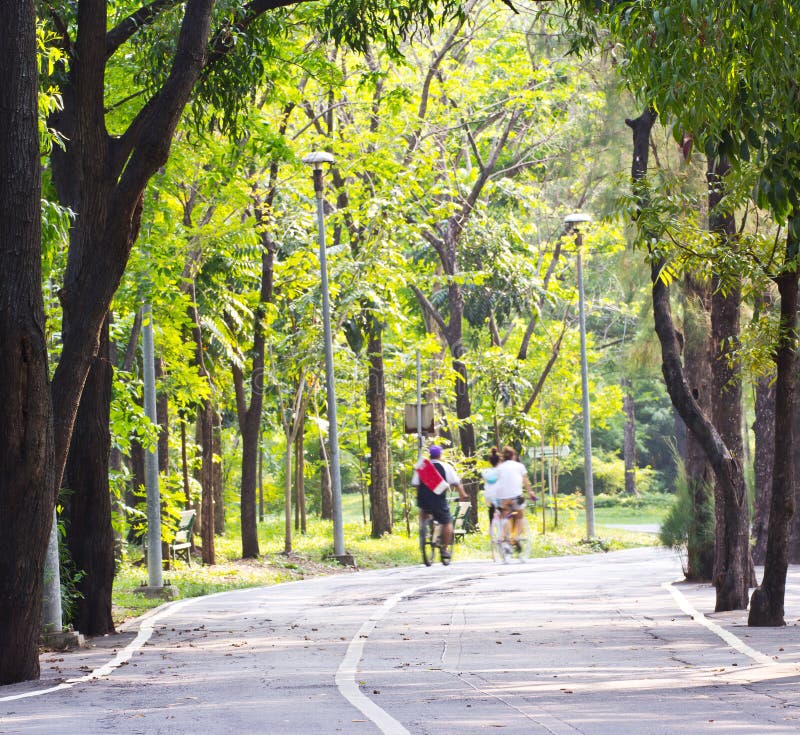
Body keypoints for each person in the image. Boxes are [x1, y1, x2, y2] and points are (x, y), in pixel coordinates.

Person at [412, 444, 469, 560]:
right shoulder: (445, 466)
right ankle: (444, 549)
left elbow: (416, 484)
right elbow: (456, 483)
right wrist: (463, 495)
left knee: (424, 514)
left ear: (430, 455)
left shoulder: (423, 466)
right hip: (438, 500)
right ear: (440, 455)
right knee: (447, 522)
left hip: (423, 499)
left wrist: (422, 495)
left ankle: (423, 532)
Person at [493, 446, 535, 542]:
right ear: (513, 456)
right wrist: (530, 493)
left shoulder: (500, 467)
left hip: (503, 498)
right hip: (516, 496)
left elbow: (496, 483)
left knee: (505, 515)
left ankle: (502, 537)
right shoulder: (519, 466)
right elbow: (526, 482)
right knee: (520, 515)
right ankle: (517, 537)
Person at [481, 446, 502, 530]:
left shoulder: (486, 471)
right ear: (499, 460)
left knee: (491, 510)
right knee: (503, 510)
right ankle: (502, 530)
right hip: (499, 495)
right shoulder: (502, 471)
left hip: (488, 496)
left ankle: (491, 529)